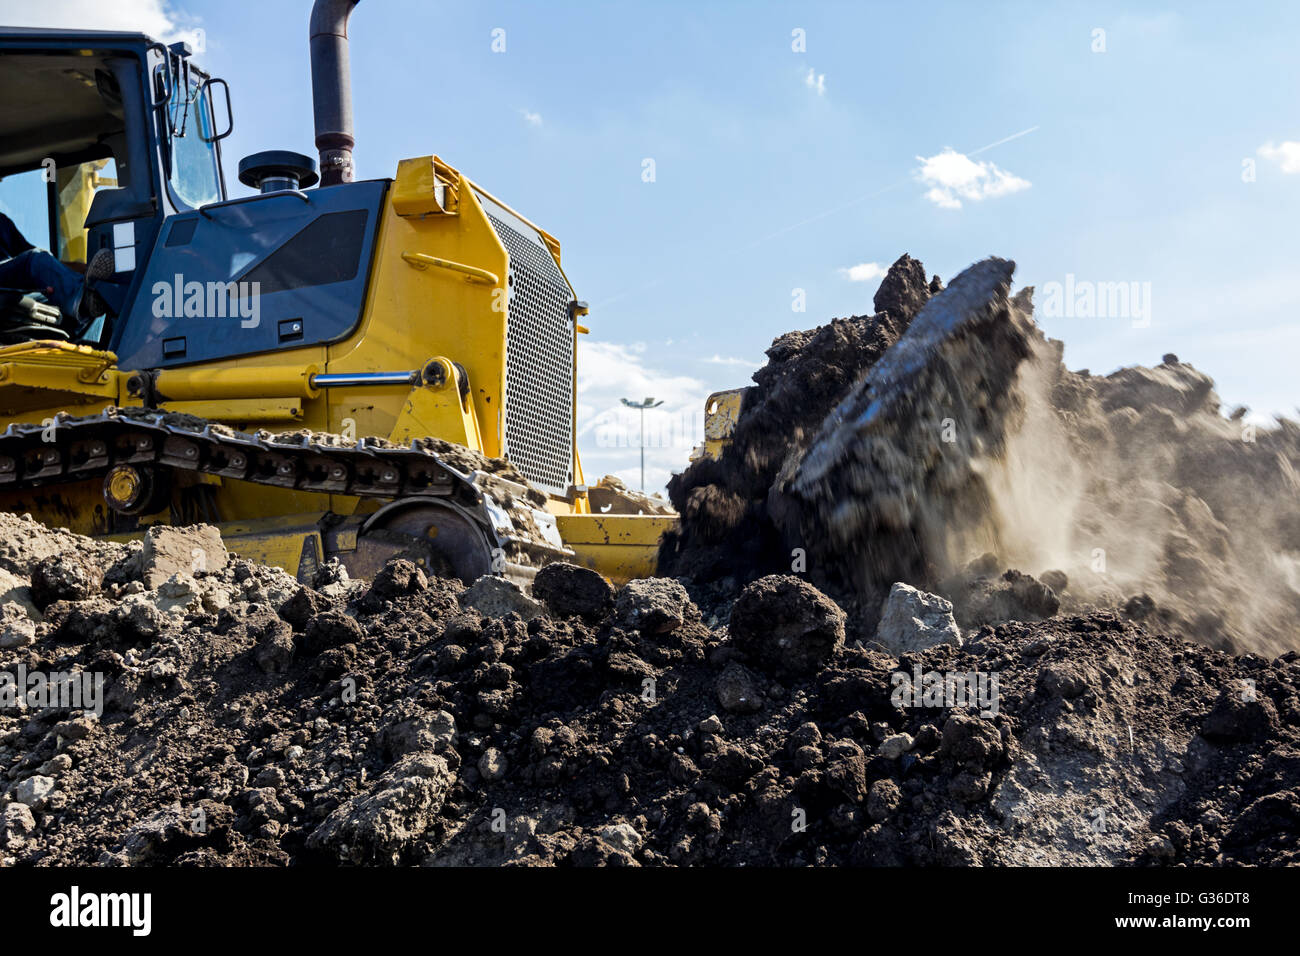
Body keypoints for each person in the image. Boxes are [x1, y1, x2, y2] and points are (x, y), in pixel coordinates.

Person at [0, 211, 109, 323]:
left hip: (13, 289)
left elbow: (34, 259)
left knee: (58, 298)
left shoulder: (2, 222)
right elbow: (34, 261)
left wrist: (84, 271)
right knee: (37, 259)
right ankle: (82, 299)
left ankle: (94, 296)